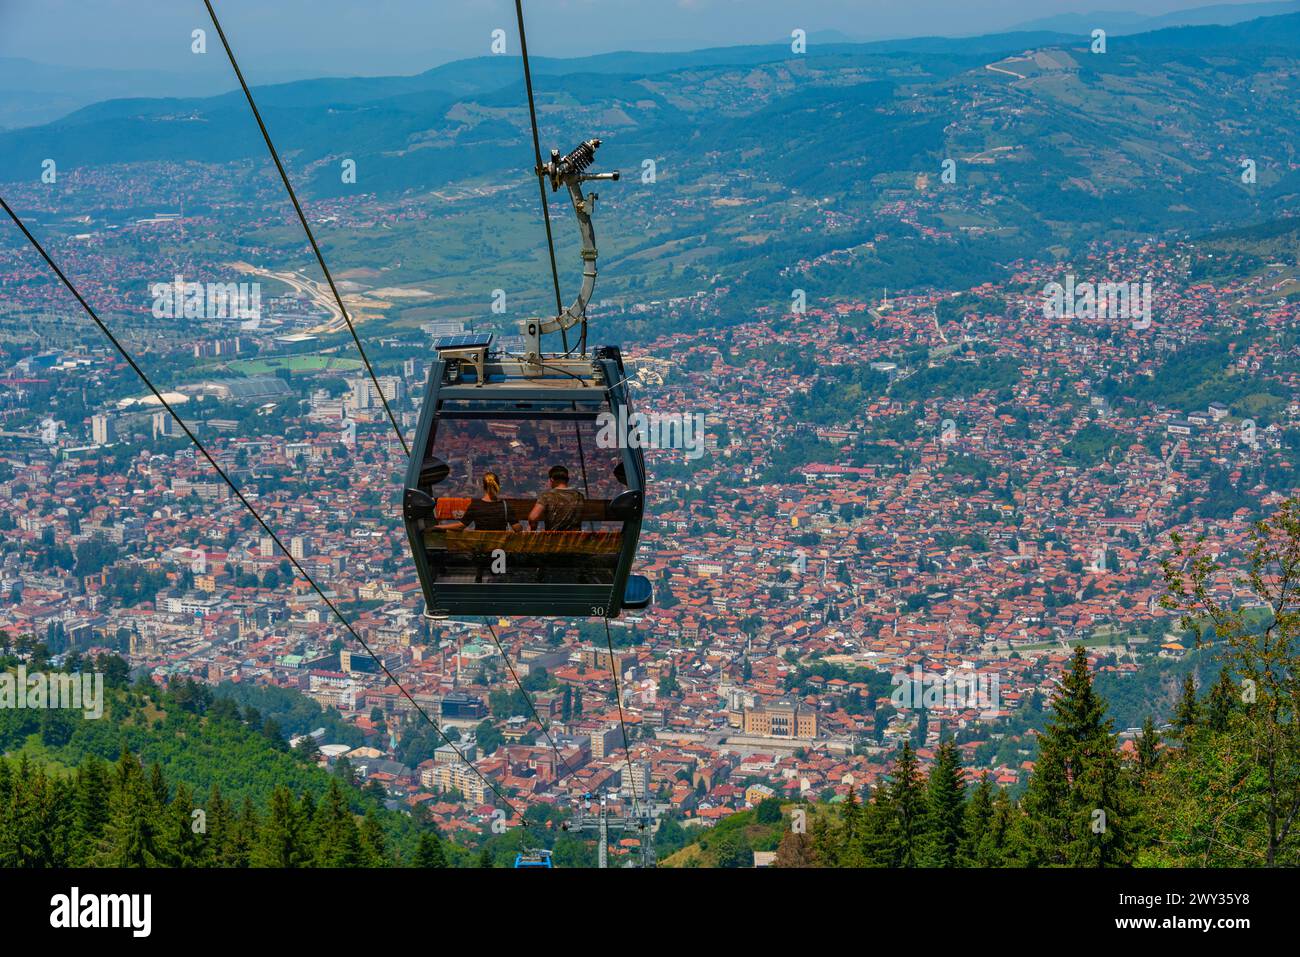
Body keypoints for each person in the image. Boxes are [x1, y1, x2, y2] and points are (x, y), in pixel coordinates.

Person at [438, 472, 520, 532]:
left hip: (480, 545)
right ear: (498, 485)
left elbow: (461, 526)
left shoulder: (475, 505)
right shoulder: (505, 506)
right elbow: (517, 528)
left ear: (483, 486)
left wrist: (439, 527)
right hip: (499, 548)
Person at [529, 465, 585, 530]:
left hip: (553, 537)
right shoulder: (579, 496)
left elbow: (533, 517)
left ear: (551, 480)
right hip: (575, 538)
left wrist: (533, 529)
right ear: (567, 480)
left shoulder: (547, 496)